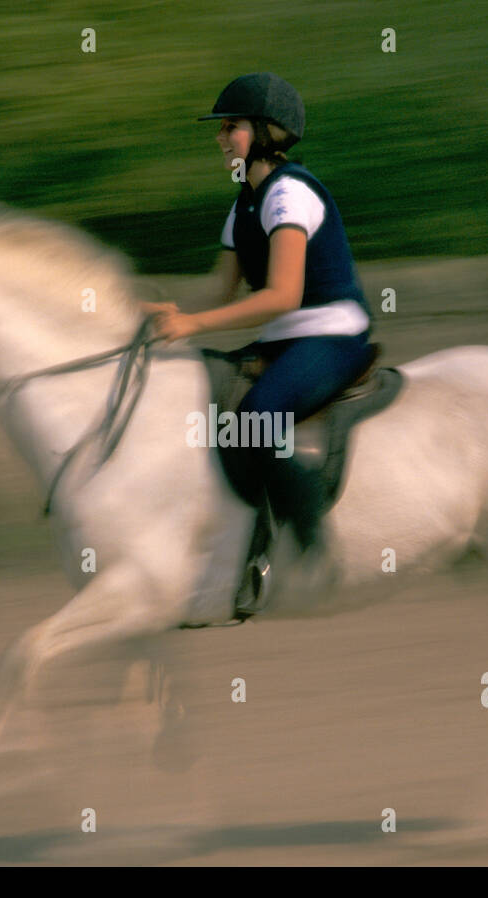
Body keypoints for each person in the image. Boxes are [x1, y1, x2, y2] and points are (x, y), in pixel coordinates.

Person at [144, 72, 375, 556]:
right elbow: (220, 291)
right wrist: (170, 312)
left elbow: (281, 297)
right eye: (221, 128)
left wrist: (192, 325)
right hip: (283, 341)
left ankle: (312, 535)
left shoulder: (291, 194)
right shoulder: (243, 205)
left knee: (258, 417)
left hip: (331, 336)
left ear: (266, 132)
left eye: (231, 126)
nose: (220, 137)